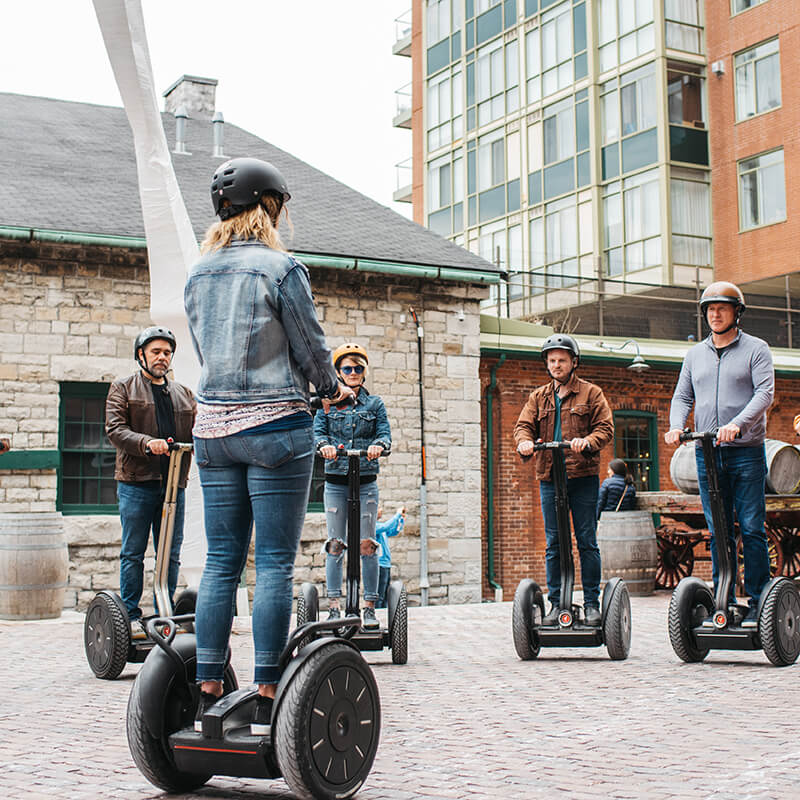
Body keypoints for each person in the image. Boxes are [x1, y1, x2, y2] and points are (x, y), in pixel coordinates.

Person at [184, 157, 353, 735]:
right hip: (276, 427)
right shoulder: (282, 268)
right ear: (269, 208)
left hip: (212, 431)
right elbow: (310, 347)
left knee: (221, 563)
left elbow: (206, 353)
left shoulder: (197, 273)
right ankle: (265, 686)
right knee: (275, 563)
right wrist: (330, 390)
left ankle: (206, 682)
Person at [665, 281, 773, 627]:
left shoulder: (757, 348)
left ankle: (759, 601)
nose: (715, 314)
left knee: (753, 528)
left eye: (722, 308)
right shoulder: (695, 354)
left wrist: (737, 425)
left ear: (736, 313)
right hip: (707, 453)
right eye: (710, 309)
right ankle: (722, 598)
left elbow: (764, 394)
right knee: (718, 530)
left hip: (746, 452)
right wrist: (676, 426)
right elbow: (682, 396)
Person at [513, 334, 614, 626]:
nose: (556, 365)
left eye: (562, 360)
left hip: (582, 476)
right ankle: (557, 604)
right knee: (555, 542)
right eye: (552, 360)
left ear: (573, 362)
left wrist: (588, 441)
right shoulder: (538, 396)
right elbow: (523, 426)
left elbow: (605, 428)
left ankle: (592, 603)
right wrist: (524, 443)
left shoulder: (591, 393)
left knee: (586, 541)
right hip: (549, 476)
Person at [105, 327, 196, 630]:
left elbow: (199, 428)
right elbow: (115, 429)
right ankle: (130, 615)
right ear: (141, 354)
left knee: (169, 554)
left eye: (167, 352)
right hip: (136, 482)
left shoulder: (183, 394)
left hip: (173, 485)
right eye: (156, 351)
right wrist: (147, 443)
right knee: (133, 553)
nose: (162, 357)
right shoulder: (124, 387)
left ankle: (164, 614)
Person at [314, 343, 391, 629]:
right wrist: (324, 447)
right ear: (338, 372)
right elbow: (317, 433)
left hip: (366, 481)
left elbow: (384, 433)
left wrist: (378, 446)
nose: (354, 372)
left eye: (359, 368)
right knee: (336, 544)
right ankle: (334, 607)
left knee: (367, 545)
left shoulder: (375, 404)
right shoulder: (327, 403)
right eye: (348, 368)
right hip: (336, 481)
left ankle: (369, 608)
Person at [375, 505, 406, 609]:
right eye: (378, 508)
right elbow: (386, 526)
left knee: (385, 595)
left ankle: (384, 614)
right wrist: (397, 515)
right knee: (379, 595)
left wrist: (401, 519)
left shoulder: (380, 526)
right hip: (379, 565)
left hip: (386, 564)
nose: (381, 510)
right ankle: (378, 614)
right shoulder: (373, 526)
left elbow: (393, 531)